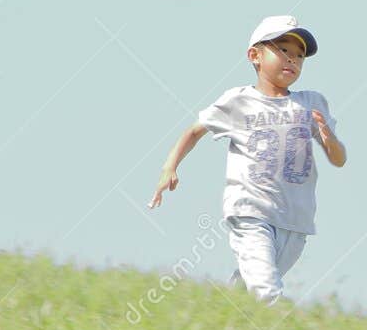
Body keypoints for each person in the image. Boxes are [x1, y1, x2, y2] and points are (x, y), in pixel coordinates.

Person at [148, 15, 346, 304]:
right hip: (250, 211)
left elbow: (338, 159)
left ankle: (217, 316)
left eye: (300, 55)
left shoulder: (311, 103)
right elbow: (194, 131)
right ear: (255, 55)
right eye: (283, 51)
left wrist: (329, 137)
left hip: (296, 219)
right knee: (266, 290)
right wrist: (170, 167)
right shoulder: (238, 101)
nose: (293, 60)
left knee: (246, 289)